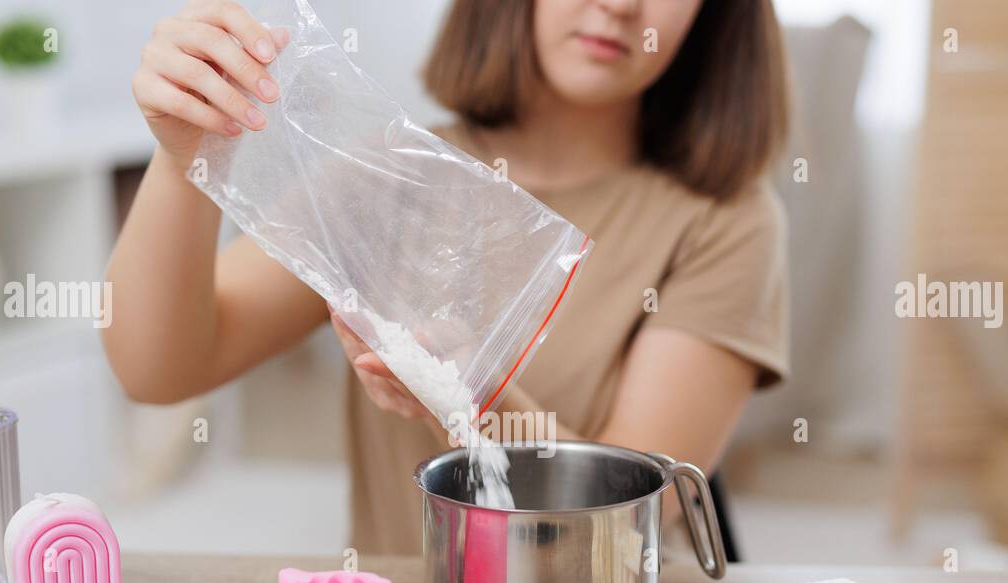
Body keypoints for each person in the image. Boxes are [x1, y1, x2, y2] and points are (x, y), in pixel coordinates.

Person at [105, 0, 790, 555]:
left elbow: (634, 518)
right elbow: (157, 368)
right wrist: (189, 158)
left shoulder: (727, 222)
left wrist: (469, 396)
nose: (617, 5)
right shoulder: (394, 174)